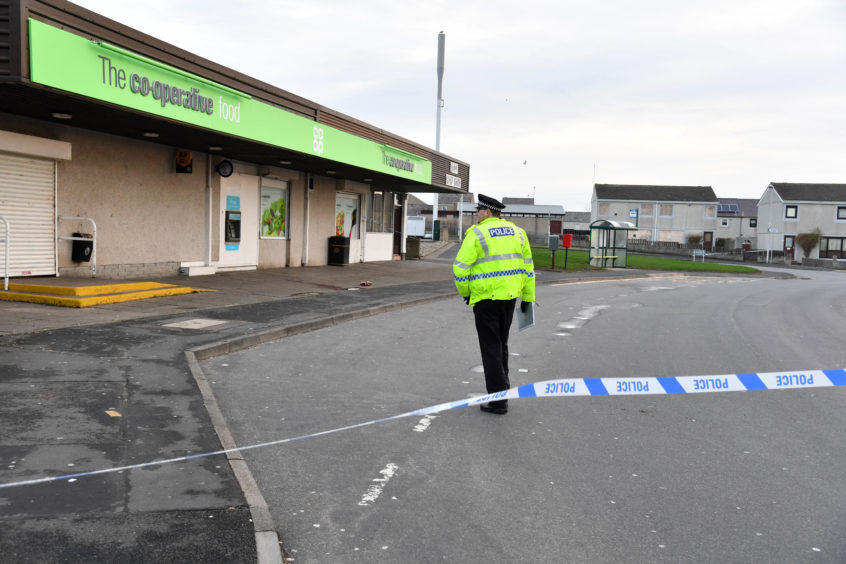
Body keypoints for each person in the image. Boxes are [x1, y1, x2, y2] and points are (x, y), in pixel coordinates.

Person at [453, 194, 535, 415]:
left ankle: (498, 400)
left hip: (485, 299)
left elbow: (460, 269)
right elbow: (528, 269)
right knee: (501, 344)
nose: (476, 215)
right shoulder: (518, 233)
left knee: (490, 347)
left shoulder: (477, 234)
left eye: (478, 211)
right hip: (510, 298)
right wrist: (527, 298)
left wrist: (467, 293)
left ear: (487, 212)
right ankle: (503, 388)